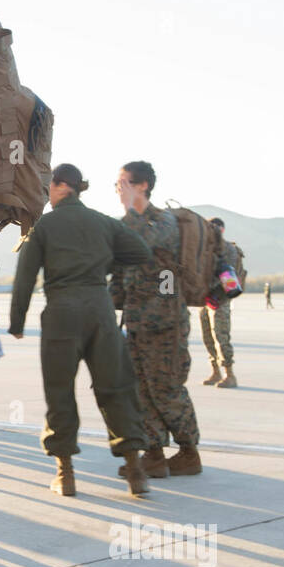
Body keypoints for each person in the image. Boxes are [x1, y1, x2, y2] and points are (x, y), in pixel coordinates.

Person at [9, 163, 152, 496]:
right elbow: (140, 253)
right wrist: (102, 264)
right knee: (116, 387)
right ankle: (135, 470)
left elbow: (26, 277)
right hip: (100, 310)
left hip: (62, 313)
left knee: (60, 392)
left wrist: (17, 322)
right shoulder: (103, 222)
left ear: (60, 186)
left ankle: (66, 473)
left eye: (49, 186)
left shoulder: (45, 225)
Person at [110, 161, 202, 477]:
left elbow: (142, 243)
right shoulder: (127, 223)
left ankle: (189, 452)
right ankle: (153, 453)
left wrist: (131, 210)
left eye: (123, 183)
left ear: (143, 186)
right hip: (137, 323)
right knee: (139, 390)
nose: (118, 189)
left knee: (166, 387)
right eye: (117, 183)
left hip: (166, 323)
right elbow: (119, 267)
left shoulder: (164, 223)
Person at [200, 216, 239, 388]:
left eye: (216, 228)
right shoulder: (205, 249)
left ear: (222, 230)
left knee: (221, 337)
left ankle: (230, 374)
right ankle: (215, 371)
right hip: (205, 300)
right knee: (207, 337)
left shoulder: (228, 249)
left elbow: (228, 277)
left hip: (220, 300)